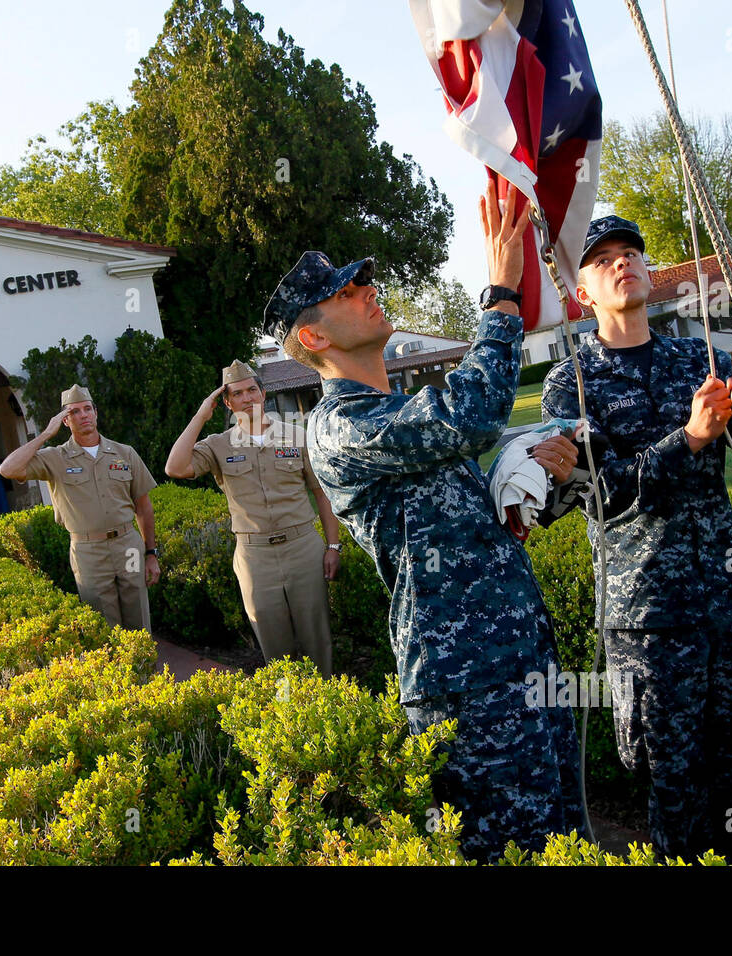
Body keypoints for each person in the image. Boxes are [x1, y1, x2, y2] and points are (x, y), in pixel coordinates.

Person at [264, 179, 585, 859]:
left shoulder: (400, 409)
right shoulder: (340, 425)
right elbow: (469, 412)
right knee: (506, 852)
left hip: (522, 657)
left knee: (562, 841)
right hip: (464, 683)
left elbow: (482, 525)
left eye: (362, 285)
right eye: (347, 294)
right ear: (313, 334)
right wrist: (500, 293)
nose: (366, 293)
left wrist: (543, 485)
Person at [541, 214, 732, 862]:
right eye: (603, 259)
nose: (623, 263)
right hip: (649, 620)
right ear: (581, 291)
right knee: (674, 787)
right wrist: (691, 438)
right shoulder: (571, 385)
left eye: (631, 253)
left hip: (725, 606)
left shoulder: (695, 357)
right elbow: (602, 495)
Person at [166, 359, 342, 676]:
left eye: (252, 390)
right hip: (254, 556)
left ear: (262, 394)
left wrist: (333, 546)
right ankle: (290, 711)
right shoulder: (218, 445)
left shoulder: (296, 435)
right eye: (238, 393)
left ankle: (327, 701)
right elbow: (175, 468)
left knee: (318, 637)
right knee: (274, 643)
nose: (247, 398)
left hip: (302, 547)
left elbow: (322, 494)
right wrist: (200, 415)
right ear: (228, 402)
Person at [0, 384, 160, 631]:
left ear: (95, 412)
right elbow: (8, 469)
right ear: (64, 420)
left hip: (128, 546)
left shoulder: (124, 453)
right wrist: (44, 435)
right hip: (88, 552)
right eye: (74, 412)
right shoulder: (55, 458)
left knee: (138, 613)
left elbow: (143, 507)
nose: (83, 415)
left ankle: (147, 668)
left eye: (87, 409)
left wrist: (151, 554)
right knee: (103, 624)